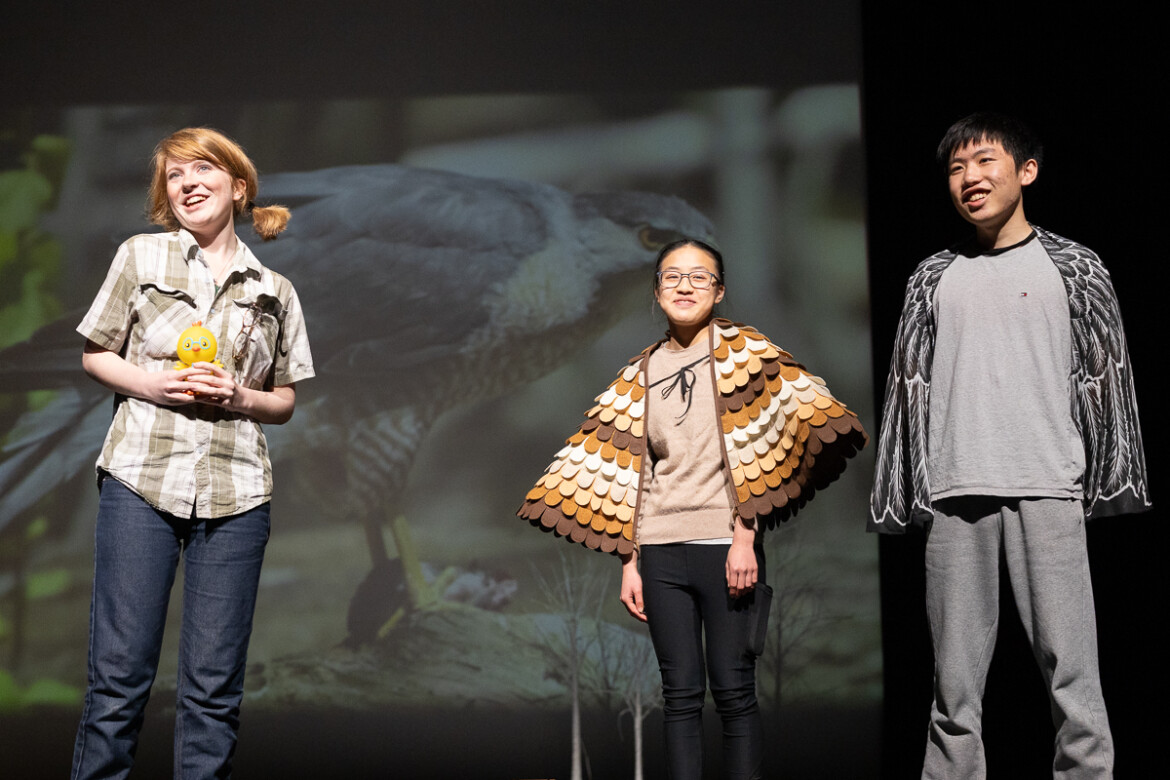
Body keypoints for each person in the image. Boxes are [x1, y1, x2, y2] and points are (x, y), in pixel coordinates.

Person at [519, 238, 867, 779]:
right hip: (659, 553)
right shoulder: (639, 375)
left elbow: (769, 445)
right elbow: (631, 473)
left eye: (699, 276)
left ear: (720, 290)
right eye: (671, 277)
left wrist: (746, 539)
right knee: (679, 695)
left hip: (726, 548)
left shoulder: (749, 355)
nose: (684, 285)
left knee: (734, 691)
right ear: (656, 293)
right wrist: (629, 562)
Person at [868, 112, 1149, 779]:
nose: (970, 178)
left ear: (1026, 171)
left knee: (1071, 673)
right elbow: (908, 394)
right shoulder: (932, 276)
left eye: (985, 161)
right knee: (954, 683)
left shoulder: (1075, 266)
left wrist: (1112, 478)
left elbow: (1108, 380)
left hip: (1048, 482)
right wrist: (902, 493)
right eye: (957, 168)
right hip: (955, 491)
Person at [70, 127, 315, 779]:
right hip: (140, 479)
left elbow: (285, 399)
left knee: (213, 691)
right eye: (173, 176)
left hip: (238, 495)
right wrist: (151, 382)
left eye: (201, 169)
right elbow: (95, 353)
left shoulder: (274, 289)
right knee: (118, 680)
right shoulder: (140, 258)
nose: (186, 183)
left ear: (238, 186)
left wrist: (239, 395)